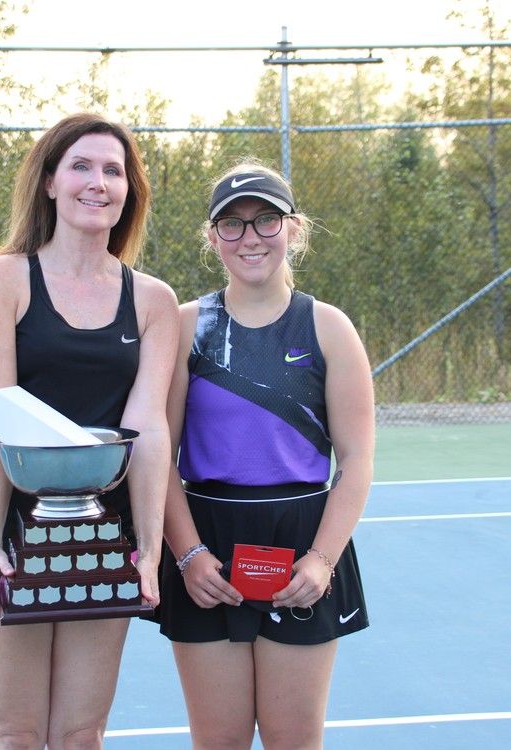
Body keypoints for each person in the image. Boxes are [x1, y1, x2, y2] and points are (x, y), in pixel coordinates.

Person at [0, 112, 179, 750]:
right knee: (16, 734)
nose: (97, 182)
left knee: (80, 735)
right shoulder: (4, 279)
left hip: (103, 540)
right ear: (49, 182)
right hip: (5, 535)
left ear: (129, 190)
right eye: (80, 165)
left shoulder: (153, 301)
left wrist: (150, 550)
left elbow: (148, 430)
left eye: (113, 170)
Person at [154, 162, 375, 749]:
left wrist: (322, 560)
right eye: (232, 224)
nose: (250, 237)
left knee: (293, 741)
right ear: (212, 238)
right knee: (219, 741)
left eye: (265, 220)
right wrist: (189, 555)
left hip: (302, 543)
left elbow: (355, 462)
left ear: (293, 229)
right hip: (205, 544)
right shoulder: (183, 328)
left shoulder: (329, 328)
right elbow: (160, 457)